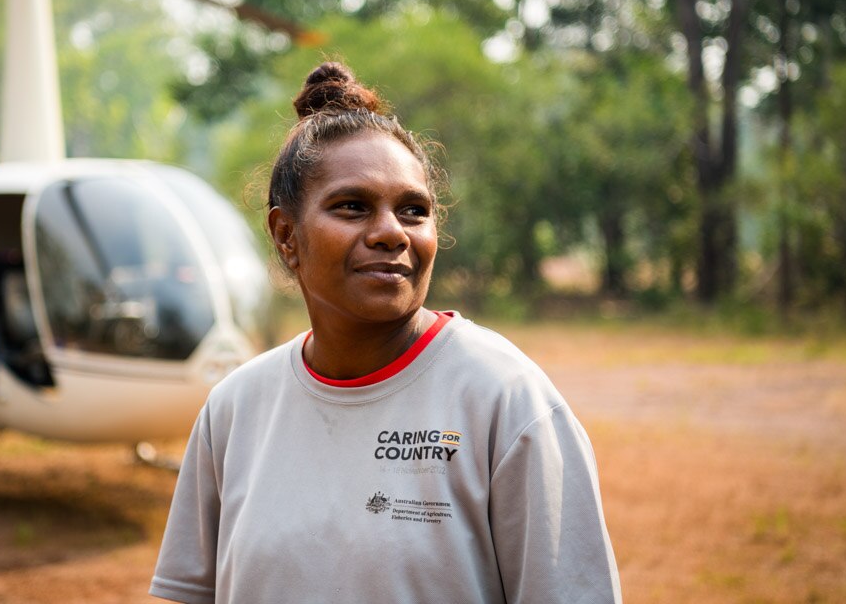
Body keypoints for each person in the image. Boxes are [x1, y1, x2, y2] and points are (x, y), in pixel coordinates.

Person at [150, 62, 622, 604]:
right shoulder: (234, 409)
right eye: (352, 207)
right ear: (286, 235)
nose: (391, 233)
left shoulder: (506, 400)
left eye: (413, 211)